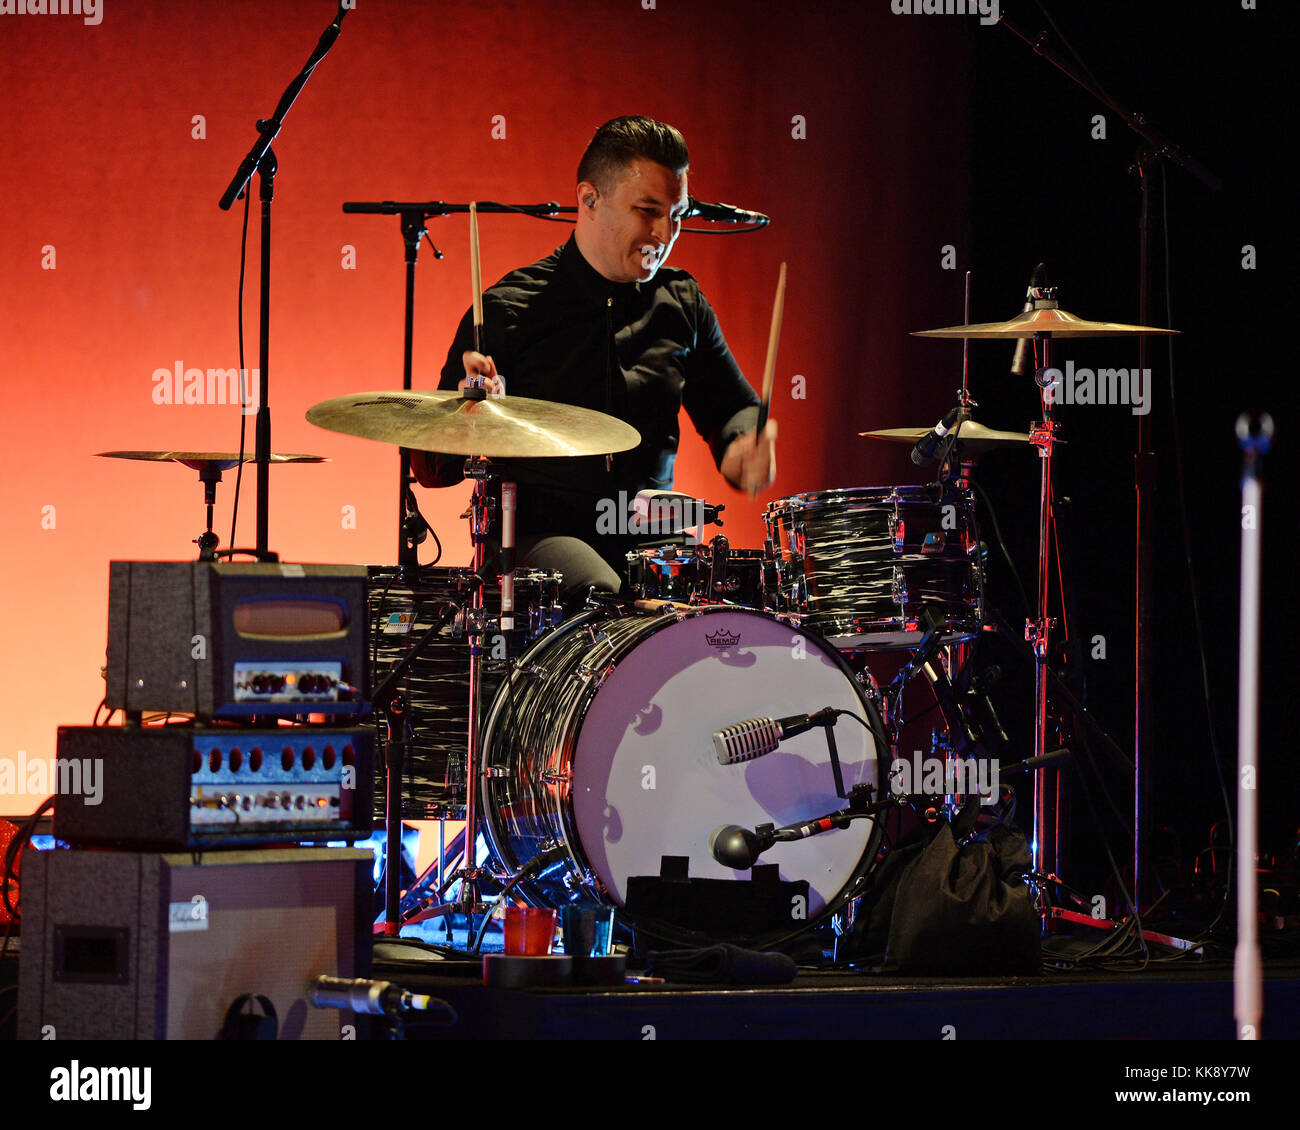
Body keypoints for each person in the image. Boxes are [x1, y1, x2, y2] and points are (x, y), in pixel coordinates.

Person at [410, 115, 777, 602]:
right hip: (541, 534)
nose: (665, 232)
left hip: (644, 524)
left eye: (678, 214)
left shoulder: (682, 303)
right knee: (600, 594)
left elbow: (733, 408)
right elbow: (431, 471)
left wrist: (743, 444)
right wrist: (469, 411)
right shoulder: (508, 308)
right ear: (588, 199)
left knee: (709, 598)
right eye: (647, 210)